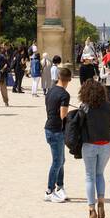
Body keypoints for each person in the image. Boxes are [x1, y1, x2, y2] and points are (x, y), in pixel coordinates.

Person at [77, 79, 110, 218]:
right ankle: (101, 201)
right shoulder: (108, 106)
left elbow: (79, 127)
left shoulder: (85, 107)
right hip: (105, 144)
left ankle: (91, 209)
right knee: (100, 174)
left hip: (90, 144)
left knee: (89, 176)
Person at [44, 66, 72, 203]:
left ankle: (60, 187)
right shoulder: (64, 95)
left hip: (49, 128)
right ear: (68, 80)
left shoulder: (50, 91)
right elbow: (63, 115)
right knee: (57, 161)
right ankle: (49, 191)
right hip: (56, 130)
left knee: (61, 160)